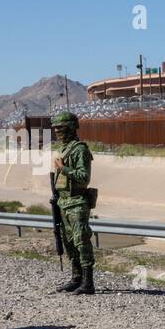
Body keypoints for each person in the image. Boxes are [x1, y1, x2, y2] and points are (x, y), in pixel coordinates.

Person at [50, 112, 96, 295]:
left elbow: (84, 177)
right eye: (56, 128)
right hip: (64, 202)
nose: (57, 131)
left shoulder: (80, 149)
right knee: (69, 243)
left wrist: (64, 168)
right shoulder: (64, 149)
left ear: (70, 127)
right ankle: (76, 278)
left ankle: (88, 282)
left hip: (77, 202)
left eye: (61, 128)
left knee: (81, 241)